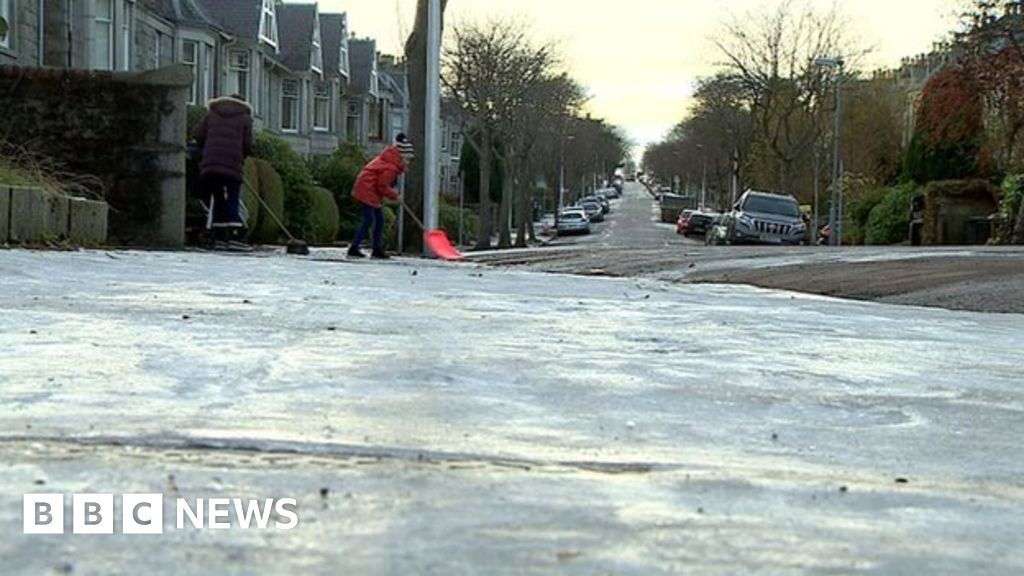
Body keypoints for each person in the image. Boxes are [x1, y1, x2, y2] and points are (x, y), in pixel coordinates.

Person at [192, 94, 254, 248]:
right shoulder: (245, 118)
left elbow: (197, 134)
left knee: (218, 197)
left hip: (211, 164)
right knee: (233, 198)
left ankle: (219, 236)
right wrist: (242, 156)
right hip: (233, 164)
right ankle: (234, 236)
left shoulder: (211, 114)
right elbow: (247, 144)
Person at [348, 134, 415, 259]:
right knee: (369, 220)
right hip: (367, 189)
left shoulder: (389, 160)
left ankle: (376, 248)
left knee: (379, 220)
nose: (409, 163)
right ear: (401, 157)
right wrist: (395, 195)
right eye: (408, 159)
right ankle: (355, 248)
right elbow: (382, 186)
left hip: (369, 188)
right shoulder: (391, 168)